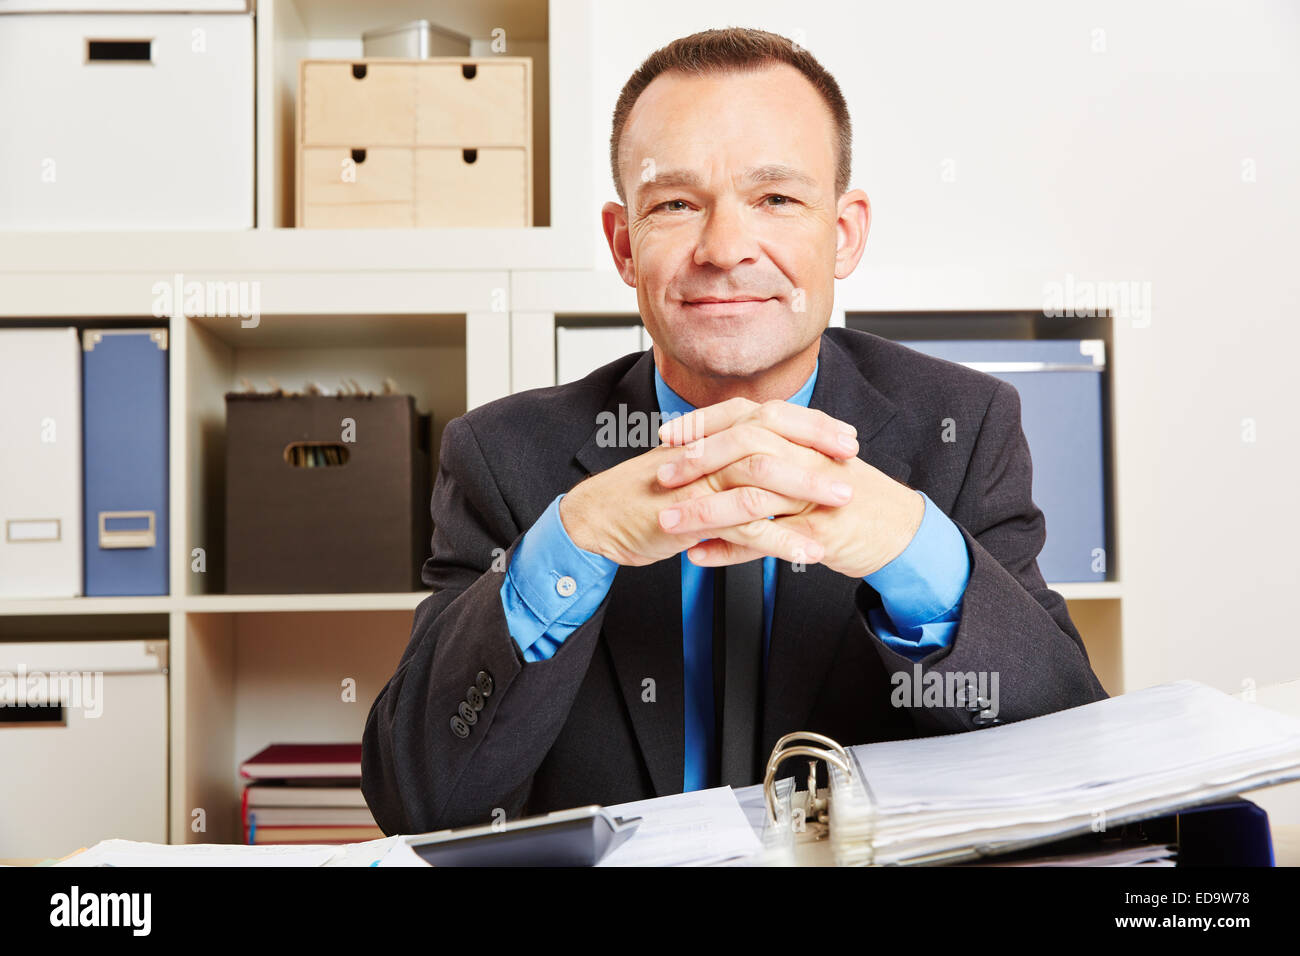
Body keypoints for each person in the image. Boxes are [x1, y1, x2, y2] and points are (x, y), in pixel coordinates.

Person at [362, 26, 1106, 835]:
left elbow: (1074, 772)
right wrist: (573, 542)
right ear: (623, 244)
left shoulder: (965, 430)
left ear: (845, 232)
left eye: (777, 199)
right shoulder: (502, 457)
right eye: (676, 204)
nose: (723, 250)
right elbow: (420, 801)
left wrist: (912, 547)